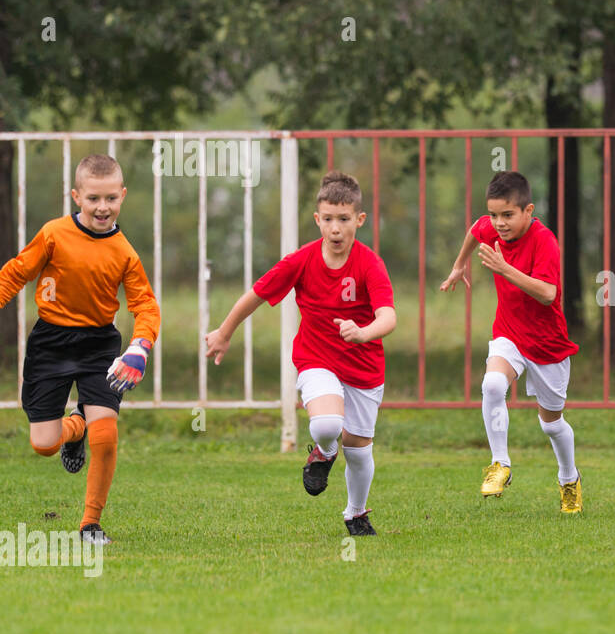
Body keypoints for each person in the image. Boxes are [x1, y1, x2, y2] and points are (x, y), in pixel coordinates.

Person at [205, 170, 395, 535]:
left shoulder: (370, 264)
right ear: (317, 219)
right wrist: (224, 332)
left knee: (357, 449)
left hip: (365, 368)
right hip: (316, 359)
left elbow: (388, 316)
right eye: (327, 220)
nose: (335, 229)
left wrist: (363, 332)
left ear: (360, 220)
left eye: (343, 220)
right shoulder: (301, 260)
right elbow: (257, 294)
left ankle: (356, 513)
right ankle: (323, 452)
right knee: (326, 425)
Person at [0, 154, 161, 544]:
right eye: (93, 199)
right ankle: (75, 430)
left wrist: (140, 345)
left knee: (106, 433)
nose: (102, 207)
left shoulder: (125, 252)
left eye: (110, 198)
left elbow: (145, 305)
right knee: (43, 444)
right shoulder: (54, 234)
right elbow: (15, 273)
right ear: (77, 197)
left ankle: (90, 523)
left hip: (99, 347)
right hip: (50, 343)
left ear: (122, 196)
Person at [440, 171, 583, 513]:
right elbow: (476, 230)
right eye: (494, 214)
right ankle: (500, 463)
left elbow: (549, 294)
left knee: (551, 424)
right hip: (509, 333)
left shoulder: (545, 241)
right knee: (491, 384)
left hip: (548, 344)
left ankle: (569, 479)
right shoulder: (492, 226)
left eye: (507, 215)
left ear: (528, 211)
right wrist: (459, 266)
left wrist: (505, 270)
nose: (498, 223)